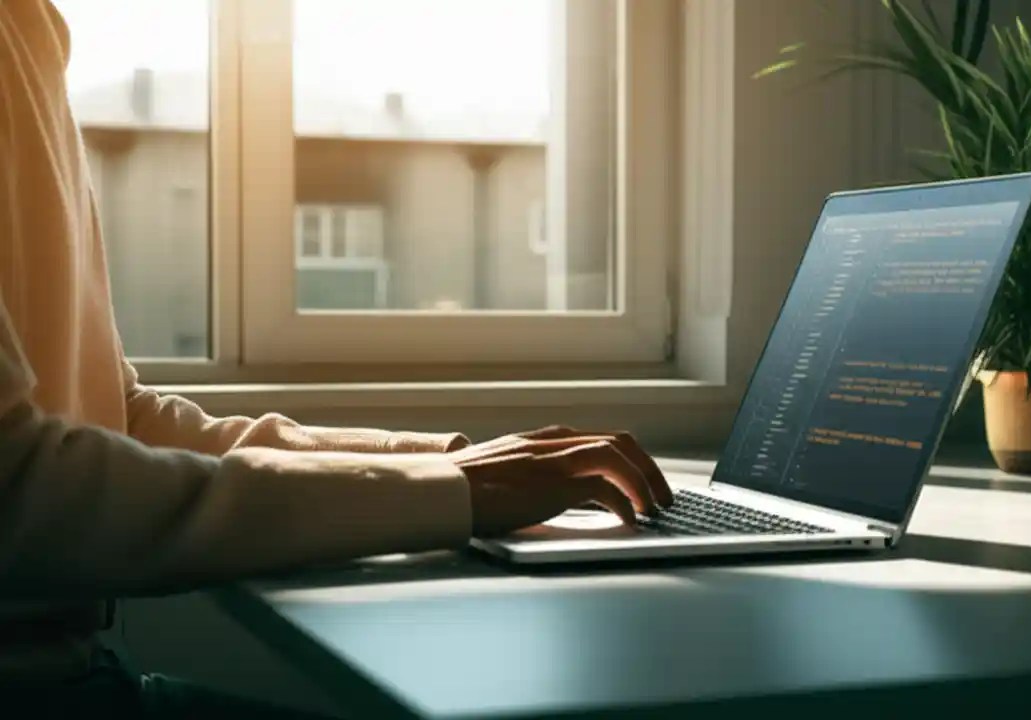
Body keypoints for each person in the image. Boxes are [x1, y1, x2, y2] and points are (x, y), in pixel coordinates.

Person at [0, 1, 672, 716]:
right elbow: (19, 488)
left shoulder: (26, 25)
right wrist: (455, 494)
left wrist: (450, 465)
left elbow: (116, 418)